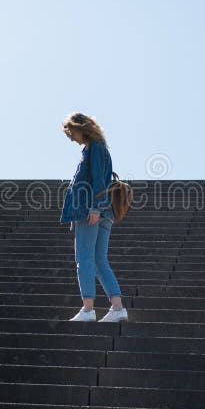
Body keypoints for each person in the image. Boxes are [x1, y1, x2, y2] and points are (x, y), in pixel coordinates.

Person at [59, 112, 128, 322]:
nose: (71, 138)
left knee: (84, 259)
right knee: (99, 260)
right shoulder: (97, 148)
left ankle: (88, 309)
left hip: (94, 211)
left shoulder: (94, 148)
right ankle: (117, 309)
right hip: (101, 211)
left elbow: (99, 181)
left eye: (72, 132)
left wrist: (94, 208)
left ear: (82, 128)